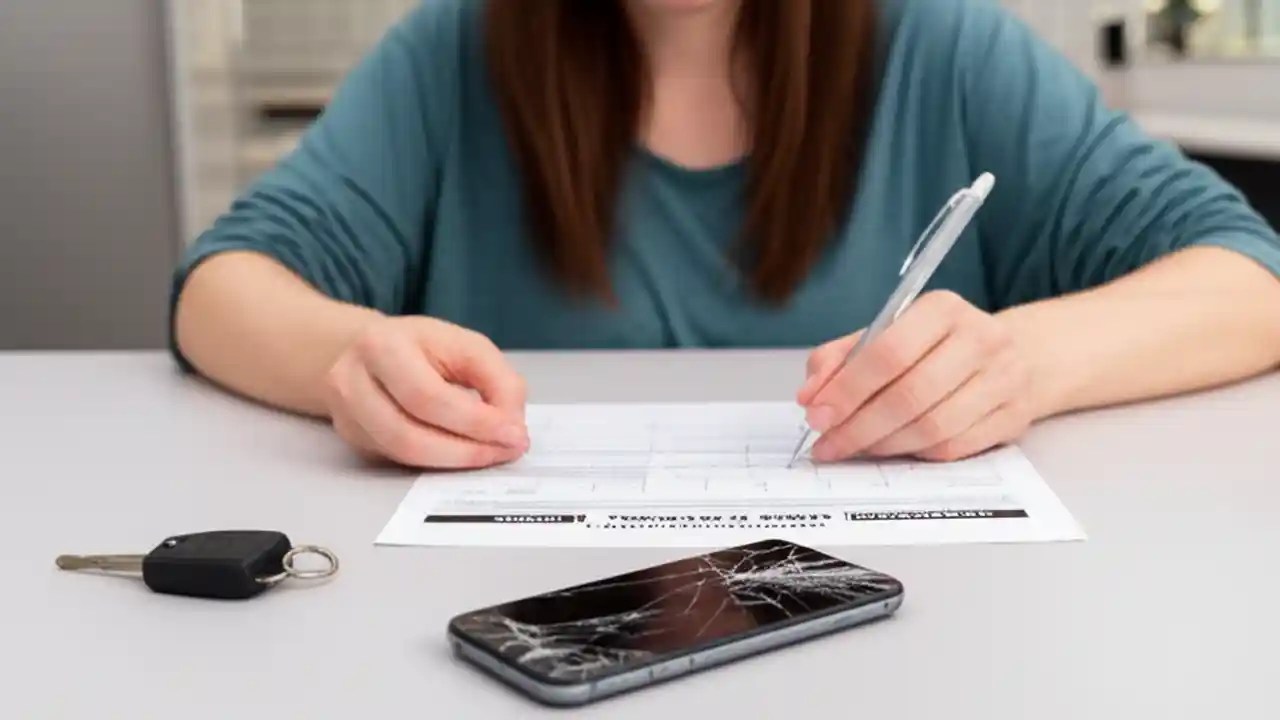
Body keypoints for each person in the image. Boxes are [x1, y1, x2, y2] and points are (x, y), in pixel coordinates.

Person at [172, 0, 1280, 470]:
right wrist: (342, 362)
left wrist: (1022, 362)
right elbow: (220, 286)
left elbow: (1246, 277)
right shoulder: (456, 46)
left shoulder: (942, 46)